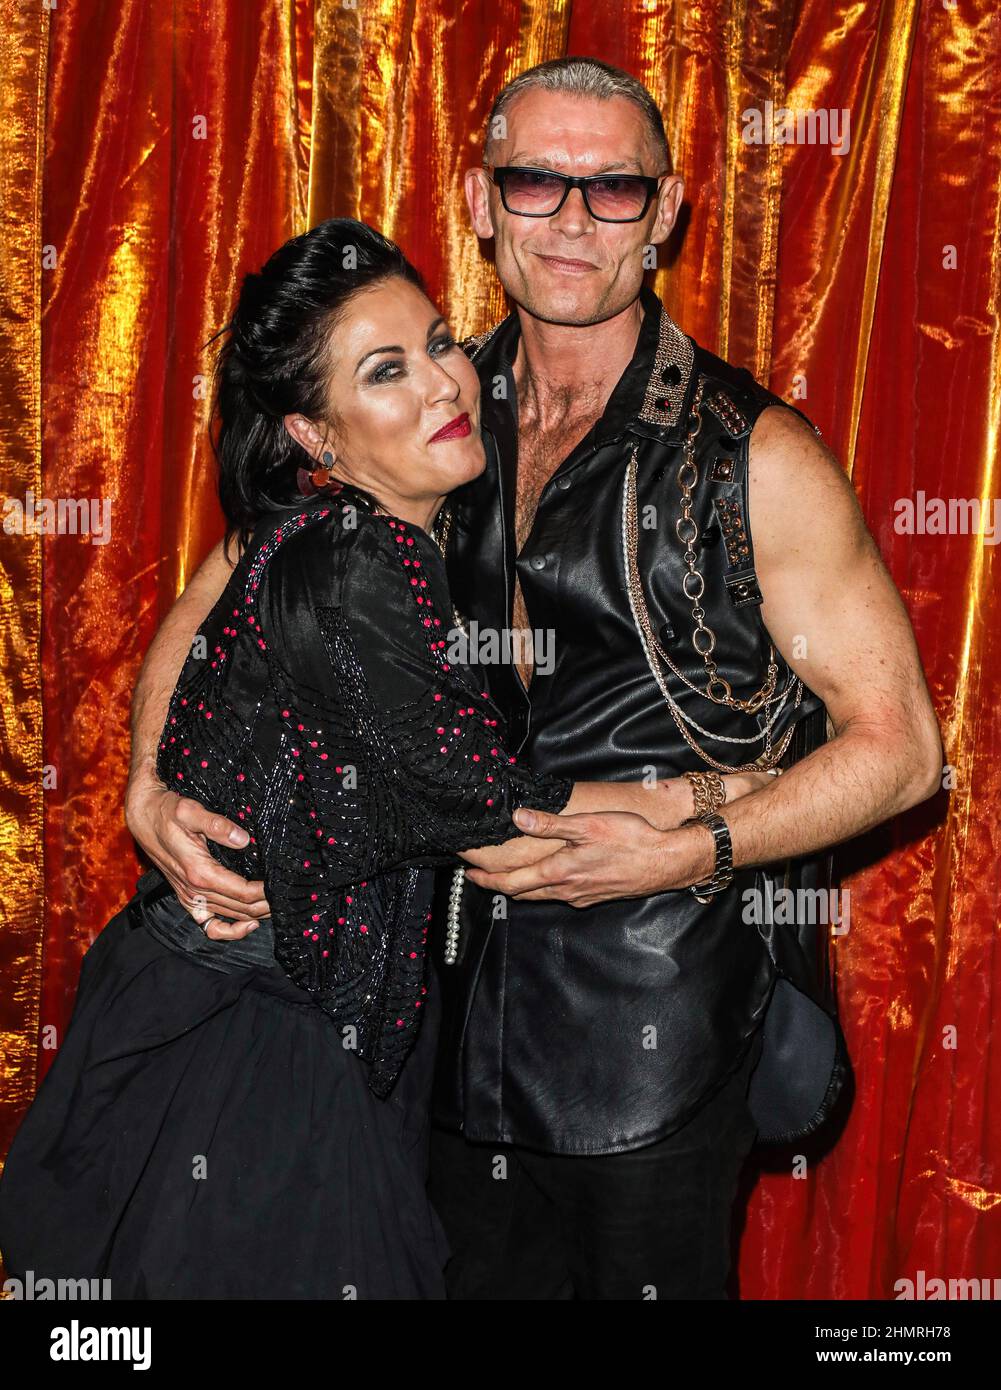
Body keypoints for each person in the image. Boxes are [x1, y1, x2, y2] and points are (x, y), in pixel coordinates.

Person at [121, 60, 943, 1301]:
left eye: (612, 187)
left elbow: (901, 750)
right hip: (427, 1045)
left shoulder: (750, 453)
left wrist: (691, 842)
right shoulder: (428, 410)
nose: (570, 217)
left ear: (665, 213)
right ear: (478, 200)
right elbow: (217, 596)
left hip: (648, 1054)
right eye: (535, 180)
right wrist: (141, 782)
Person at [0, 217, 768, 1300]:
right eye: (384, 372)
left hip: (309, 1023)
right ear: (315, 435)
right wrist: (715, 790)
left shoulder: (375, 528)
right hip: (245, 1043)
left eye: (438, 342)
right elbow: (489, 808)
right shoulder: (353, 559)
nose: (443, 383)